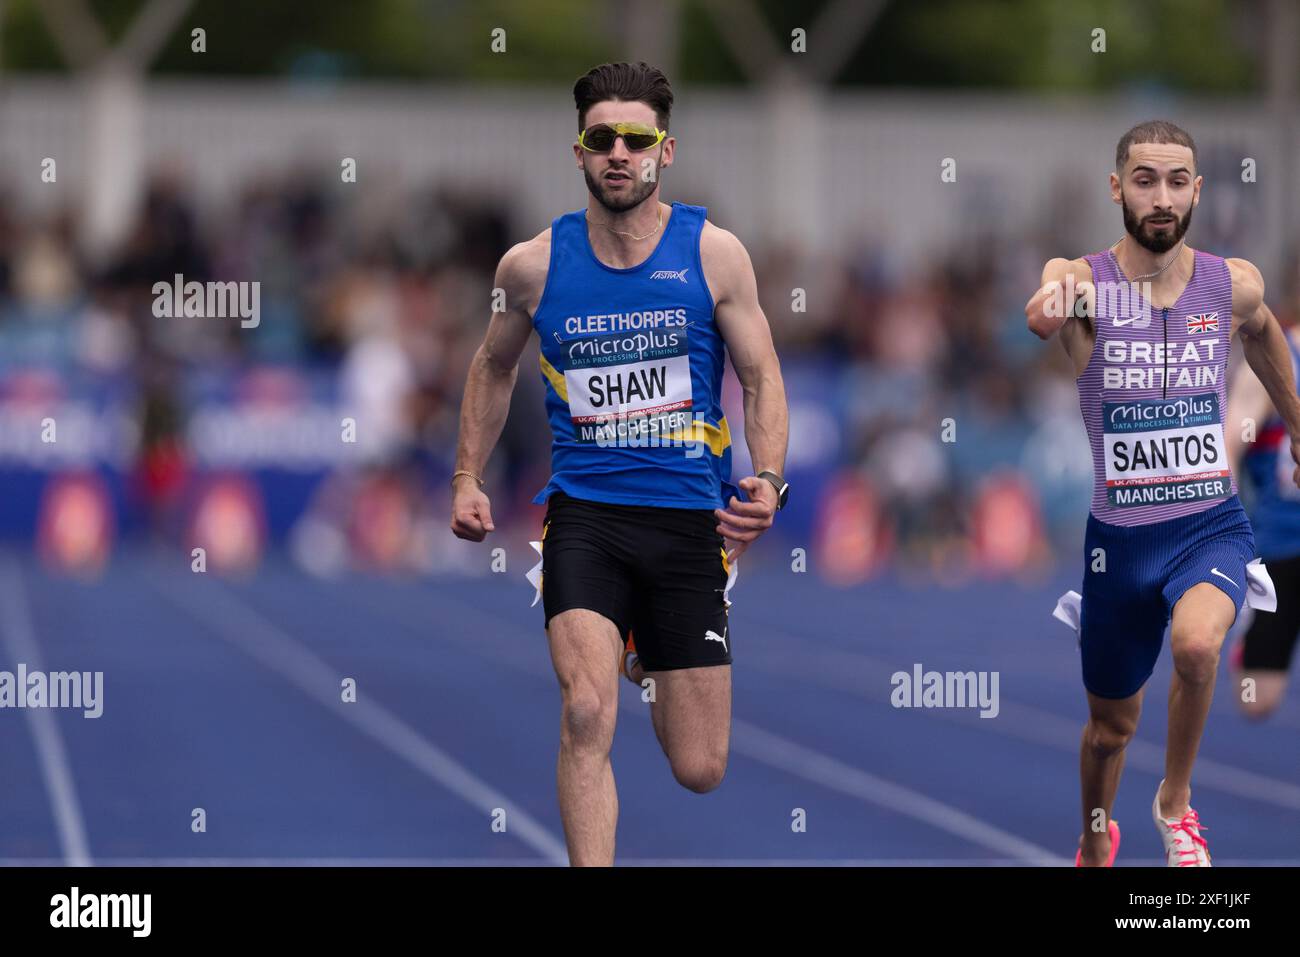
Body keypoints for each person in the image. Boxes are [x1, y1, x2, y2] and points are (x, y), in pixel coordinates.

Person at [450, 61, 789, 866]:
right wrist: (467, 474)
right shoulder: (530, 267)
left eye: (637, 139)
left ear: (663, 152)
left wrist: (769, 479)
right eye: (602, 138)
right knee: (584, 711)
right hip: (585, 517)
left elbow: (762, 376)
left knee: (700, 767)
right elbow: (492, 367)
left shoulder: (715, 255)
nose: (619, 152)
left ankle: (648, 654)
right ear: (579, 153)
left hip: (688, 523)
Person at [1025, 120, 1300, 866]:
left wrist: (1299, 427)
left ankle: (1175, 804)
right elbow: (1050, 290)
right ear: (1117, 187)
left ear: (1196, 191)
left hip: (1209, 523)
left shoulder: (1230, 282)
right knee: (1110, 728)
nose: (1161, 196)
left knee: (1200, 644)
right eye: (1144, 179)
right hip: (1119, 547)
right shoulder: (1087, 283)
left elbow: (1267, 333)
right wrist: (1048, 304)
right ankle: (1095, 833)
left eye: (1177, 180)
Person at [1226, 315, 1300, 718]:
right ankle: (1247, 647)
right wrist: (1229, 533)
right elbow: (1230, 447)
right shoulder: (1275, 359)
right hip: (1279, 545)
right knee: (1256, 701)